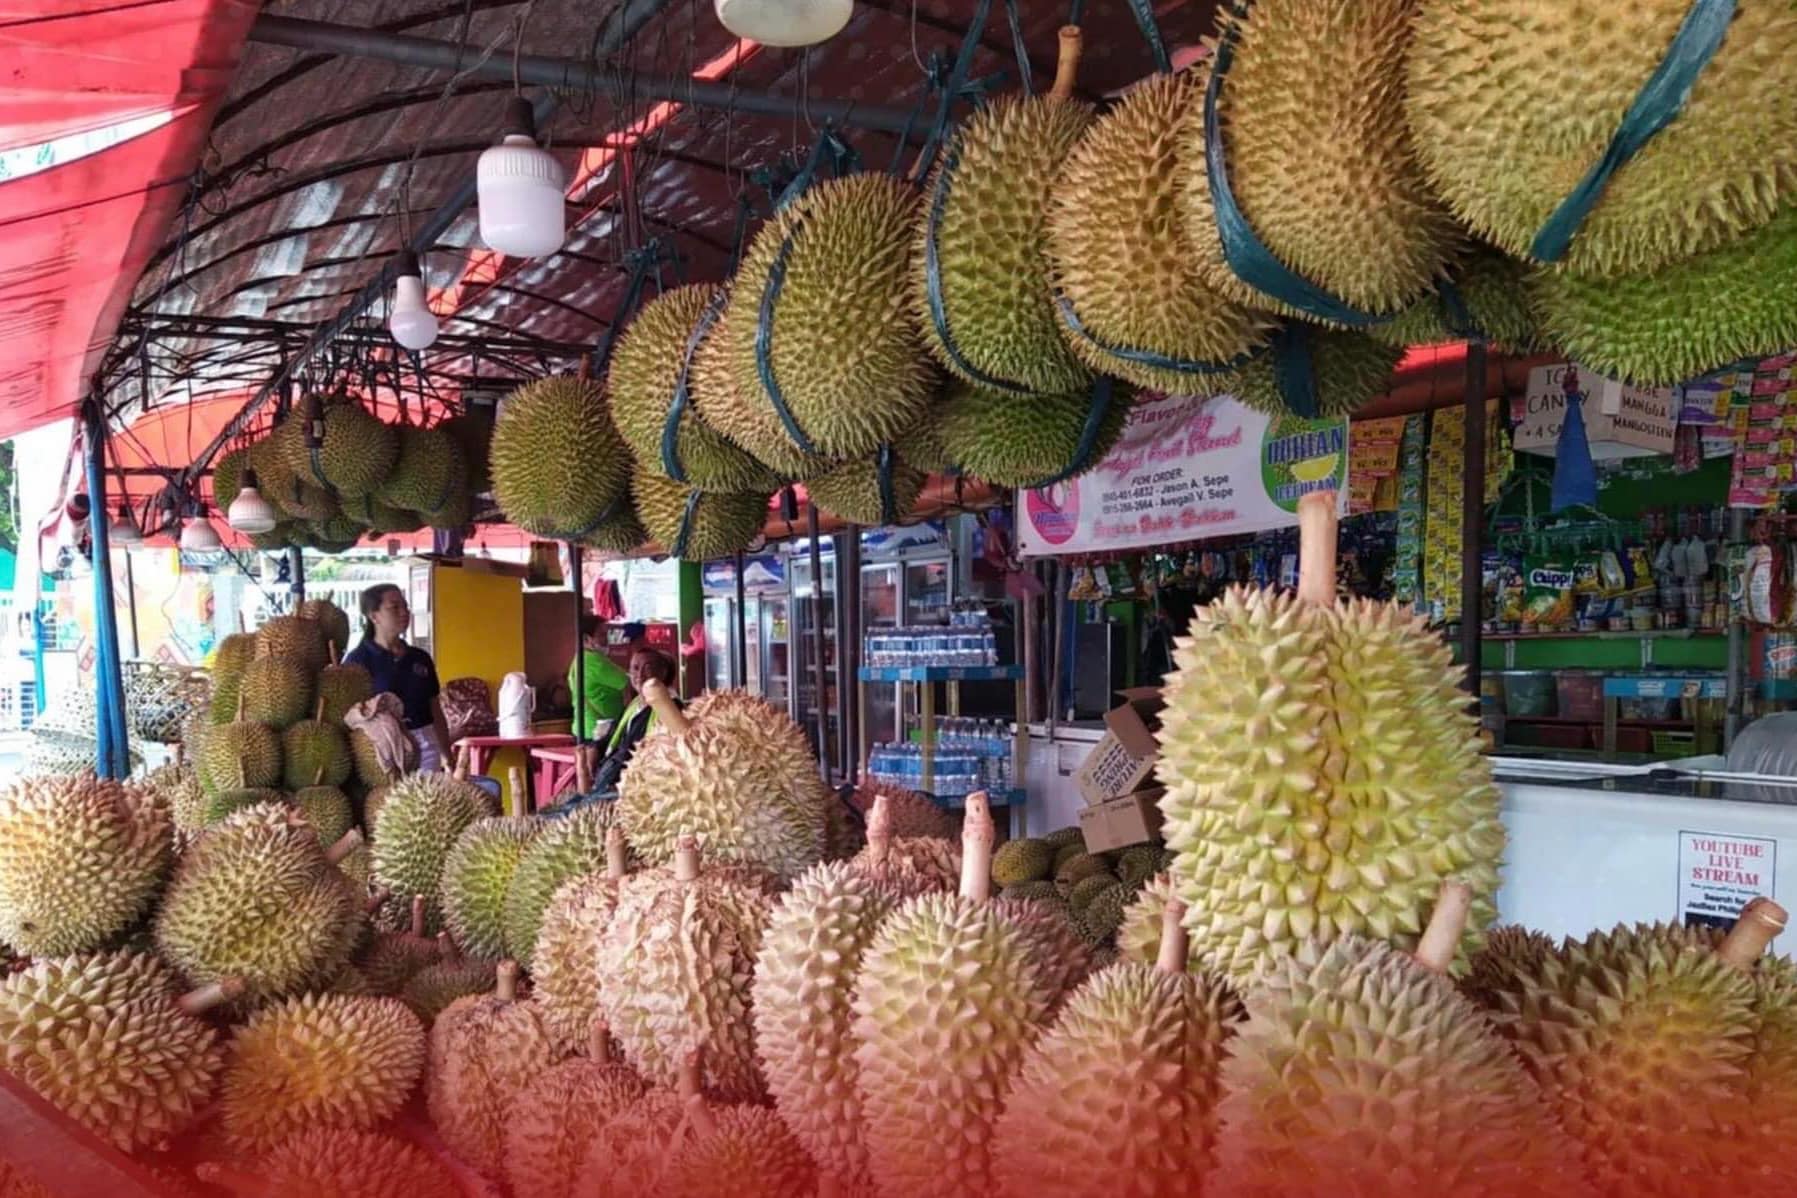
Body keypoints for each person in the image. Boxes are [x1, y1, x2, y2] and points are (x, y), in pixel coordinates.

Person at [343, 583, 445, 772]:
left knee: (427, 800)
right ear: (374, 616)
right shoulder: (357, 661)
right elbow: (354, 714)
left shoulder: (420, 658)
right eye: (394, 607)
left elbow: (435, 709)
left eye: (405, 606)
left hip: (426, 744)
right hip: (383, 747)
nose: (404, 612)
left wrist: (447, 754)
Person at [587, 647, 679, 797]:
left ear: (663, 672)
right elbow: (620, 738)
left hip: (636, 792)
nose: (639, 675)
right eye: (635, 668)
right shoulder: (635, 704)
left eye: (648, 668)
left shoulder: (671, 708)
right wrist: (596, 747)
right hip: (609, 784)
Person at [569, 611, 630, 761]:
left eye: (606, 634)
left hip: (584, 727)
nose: (606, 640)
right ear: (586, 638)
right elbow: (627, 682)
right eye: (601, 635)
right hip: (599, 732)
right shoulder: (595, 662)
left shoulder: (580, 659)